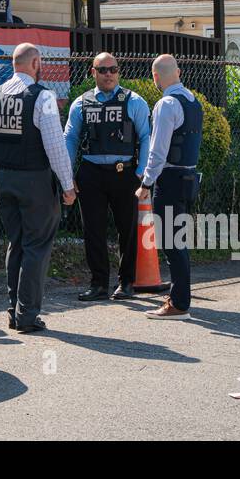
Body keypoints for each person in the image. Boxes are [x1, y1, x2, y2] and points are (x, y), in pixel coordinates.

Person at [0, 43, 77, 334]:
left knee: (16, 243)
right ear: (35, 63)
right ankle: (27, 315)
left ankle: (14, 311)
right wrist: (68, 186)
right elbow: (56, 146)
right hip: (35, 181)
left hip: (5, 180)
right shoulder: (42, 96)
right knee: (36, 247)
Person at [64, 53, 152, 301]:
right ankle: (99, 284)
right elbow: (69, 138)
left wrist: (140, 172)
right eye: (103, 70)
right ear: (93, 72)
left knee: (127, 230)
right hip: (91, 173)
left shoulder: (134, 101)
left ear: (118, 71)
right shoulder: (81, 103)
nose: (109, 74)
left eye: (113, 69)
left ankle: (126, 283)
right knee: (93, 230)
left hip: (124, 174)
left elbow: (146, 137)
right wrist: (67, 174)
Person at [136, 54, 202, 319]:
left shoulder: (166, 104)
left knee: (170, 242)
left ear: (155, 77)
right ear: (177, 71)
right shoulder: (192, 100)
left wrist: (146, 183)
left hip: (170, 179)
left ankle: (179, 303)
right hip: (189, 178)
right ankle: (179, 296)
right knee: (179, 240)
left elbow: (157, 151)